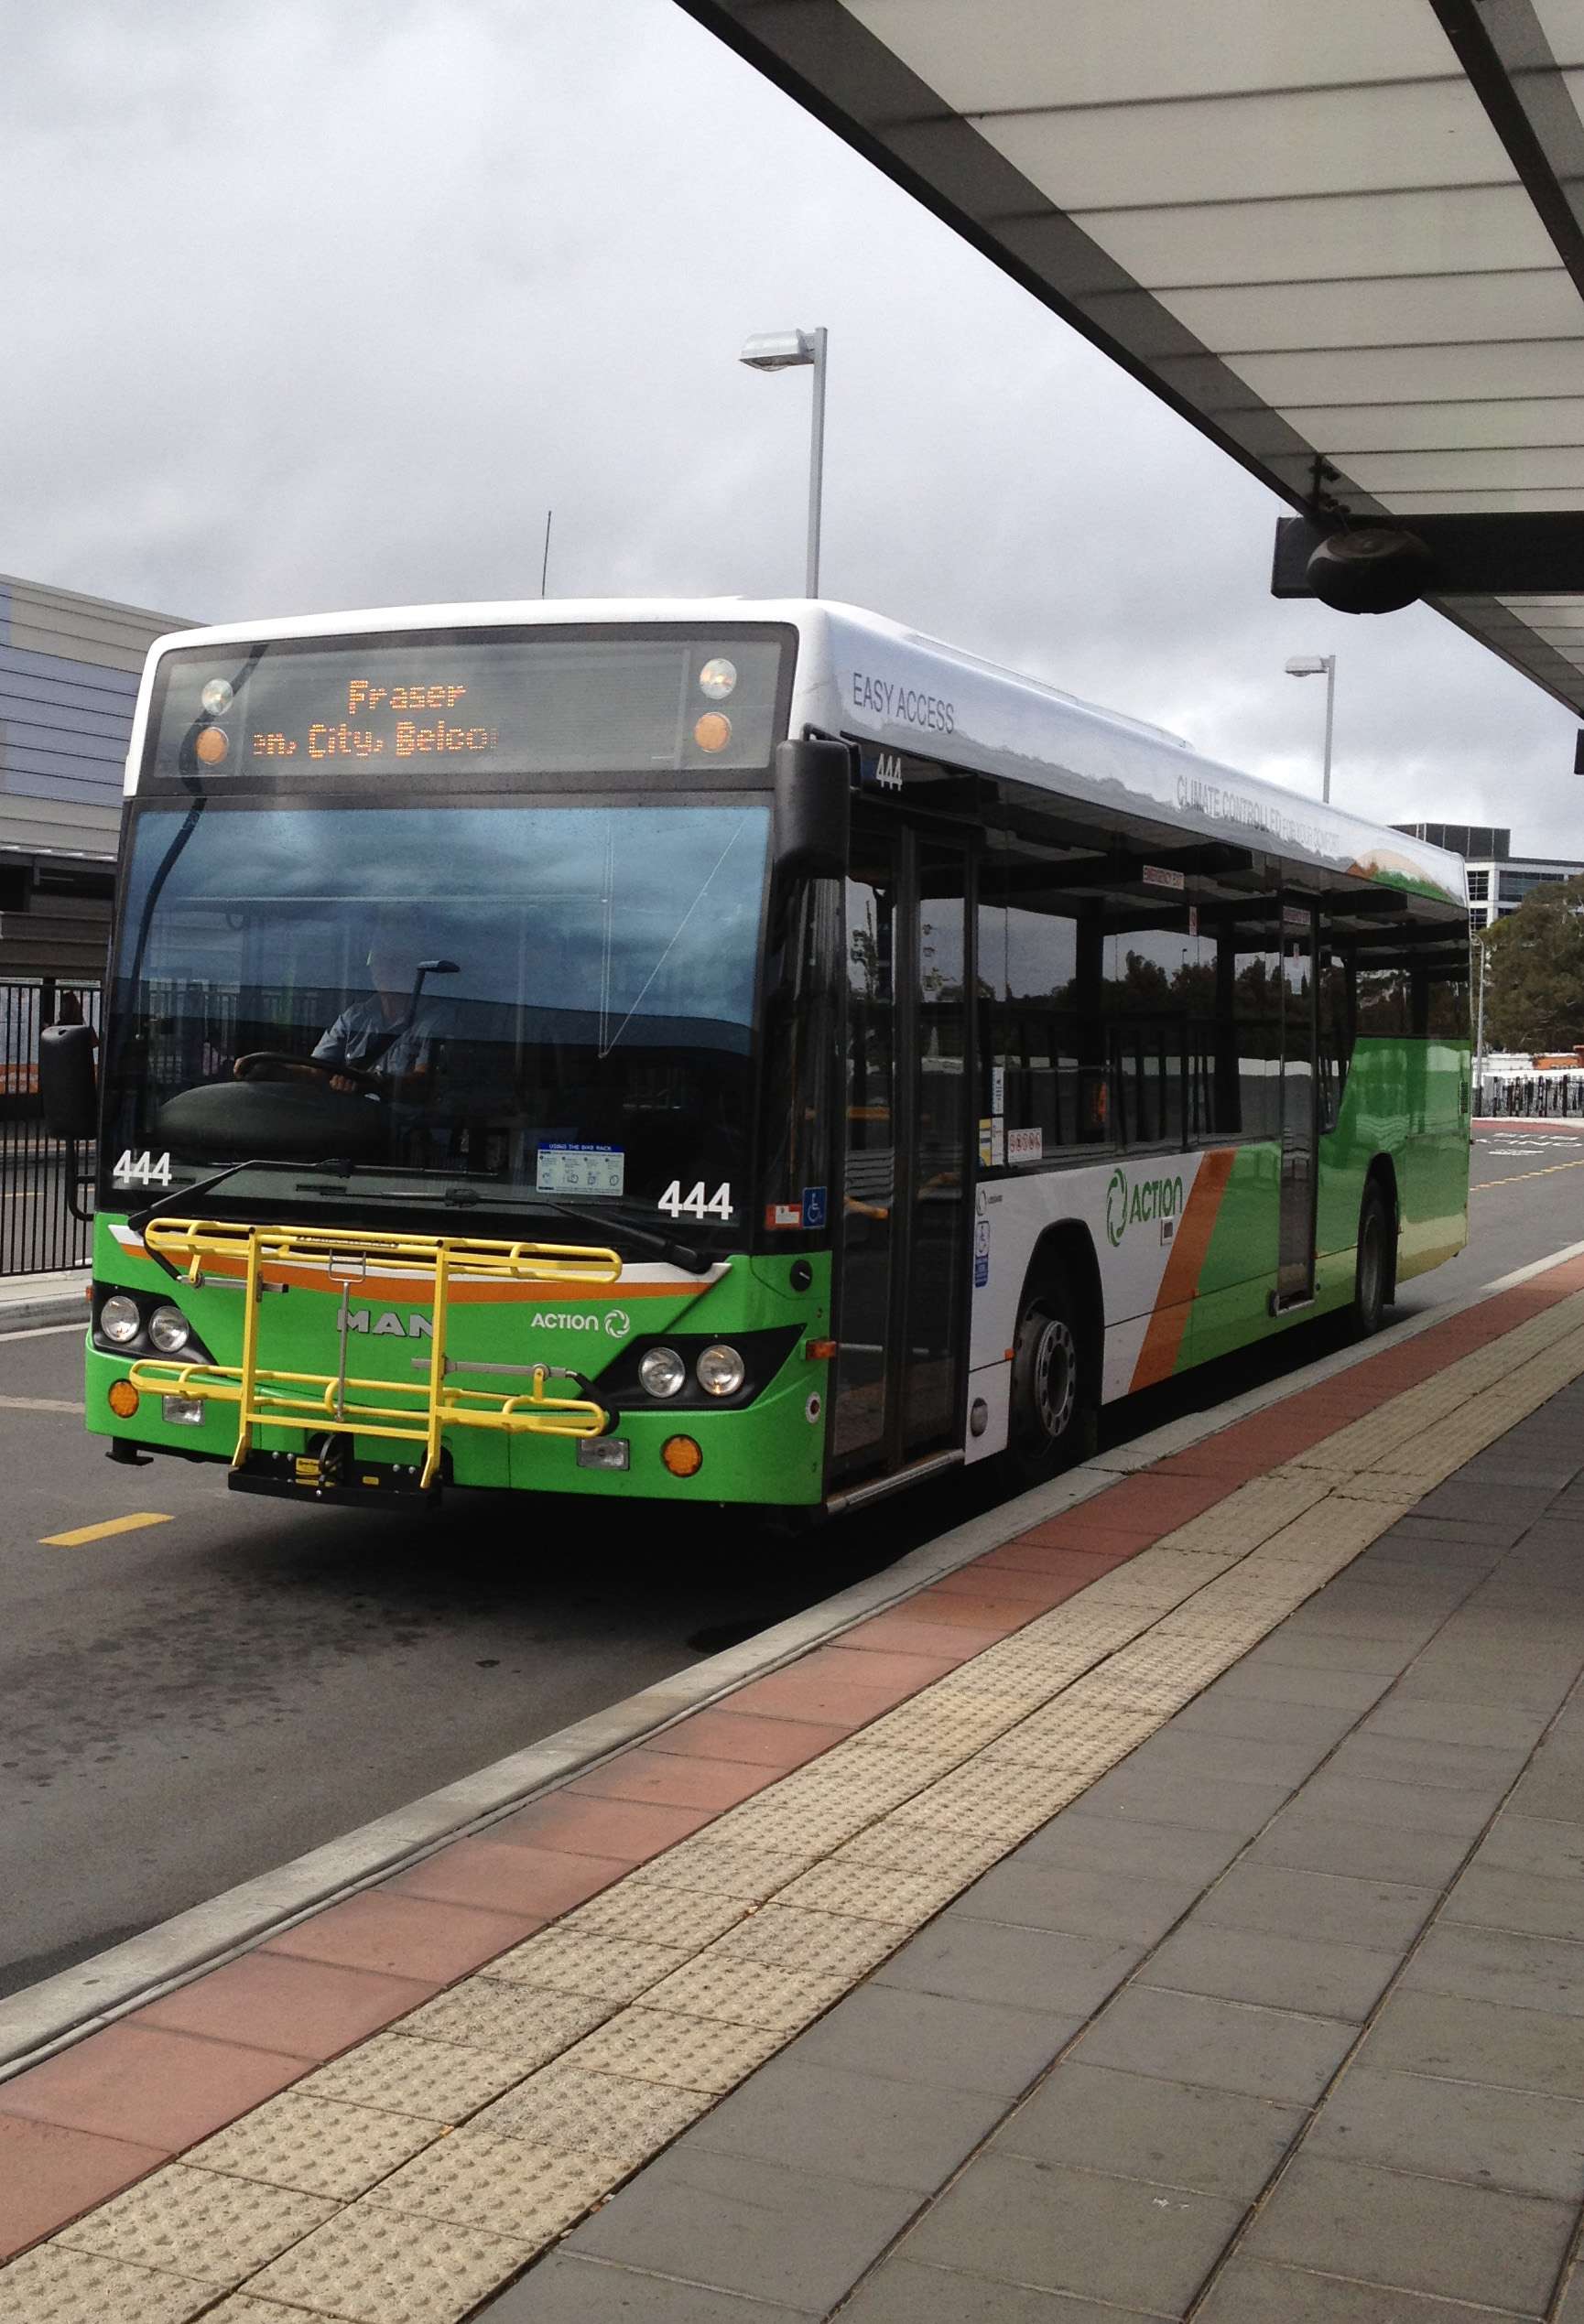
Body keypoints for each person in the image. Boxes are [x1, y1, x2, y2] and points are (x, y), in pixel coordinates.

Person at [233, 935, 446, 1094]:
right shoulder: (355, 1017)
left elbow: (423, 1084)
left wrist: (371, 1083)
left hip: (402, 1136)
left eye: (396, 963)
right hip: (348, 1125)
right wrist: (271, 1070)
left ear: (415, 970)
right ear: (371, 970)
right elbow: (316, 1071)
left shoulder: (436, 1020)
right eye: (381, 963)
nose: (387, 971)